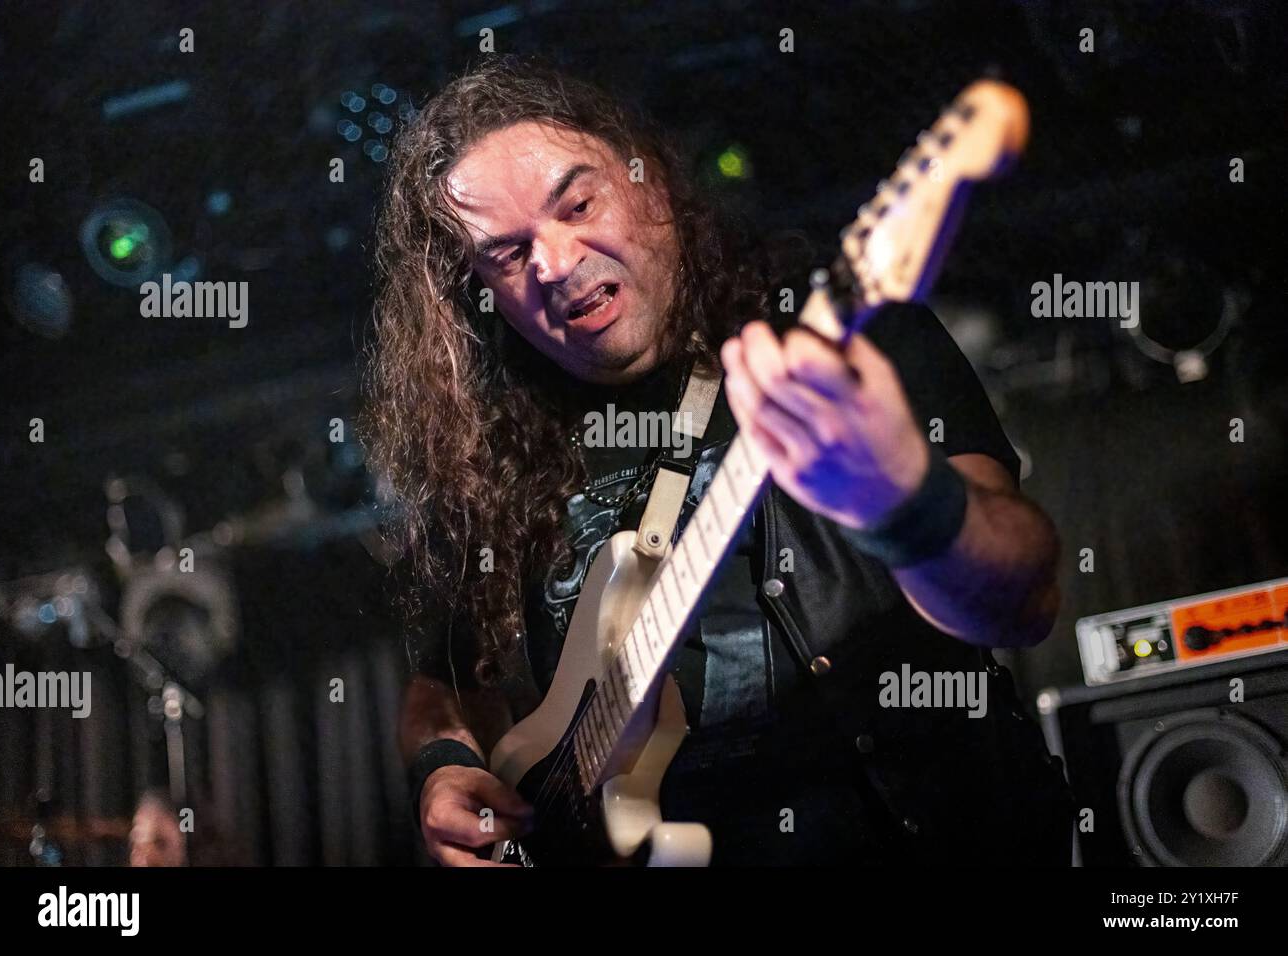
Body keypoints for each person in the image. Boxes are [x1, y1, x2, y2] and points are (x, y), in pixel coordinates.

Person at [363, 55, 1074, 866]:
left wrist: (906, 502)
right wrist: (444, 766)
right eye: (508, 253)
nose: (555, 262)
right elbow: (443, 683)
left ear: (652, 181)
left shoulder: (842, 350)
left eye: (578, 202)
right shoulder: (482, 453)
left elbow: (1021, 603)